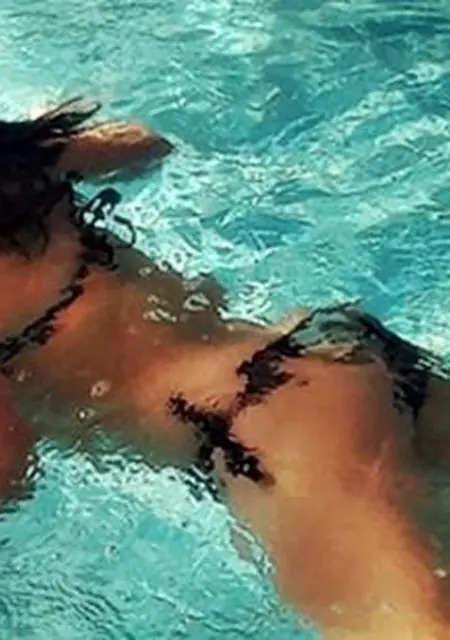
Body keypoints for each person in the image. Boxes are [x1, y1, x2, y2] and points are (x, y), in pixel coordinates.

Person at [0, 96, 449, 640]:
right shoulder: (22, 163)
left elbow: (12, 470)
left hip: (253, 427)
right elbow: (145, 146)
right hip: (327, 348)